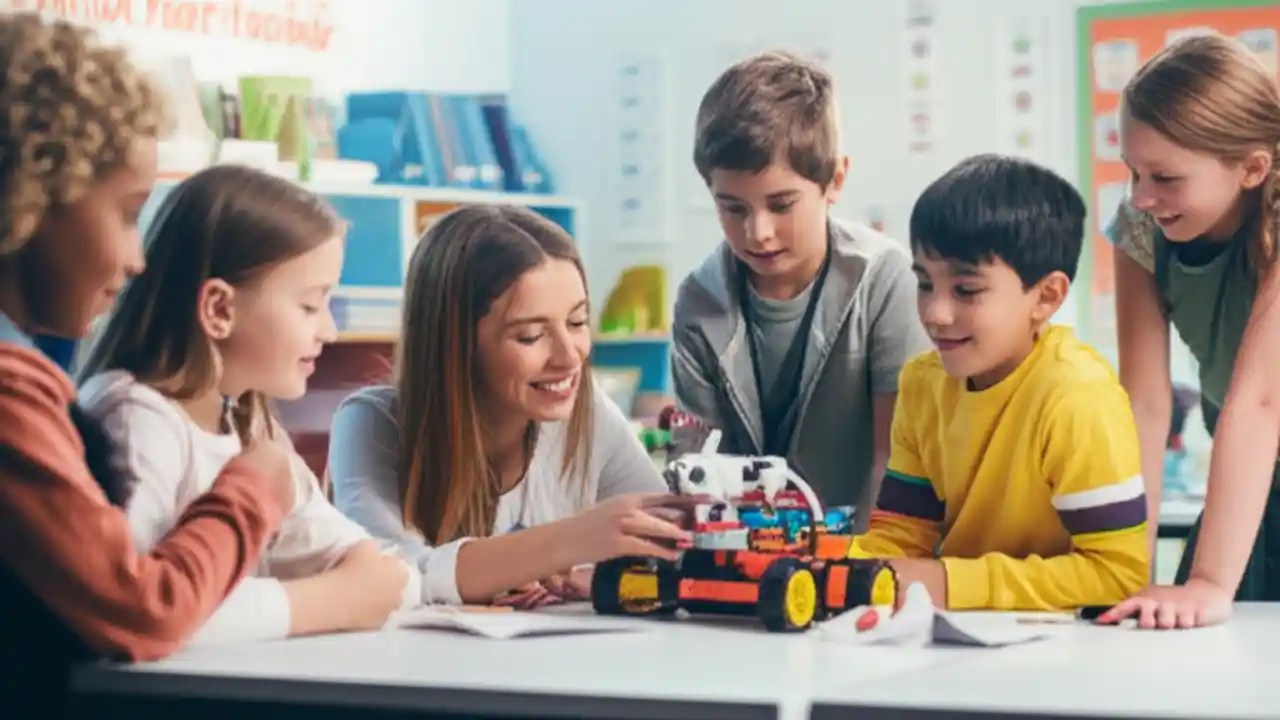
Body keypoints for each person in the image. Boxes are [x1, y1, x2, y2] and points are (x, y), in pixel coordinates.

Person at [0, 13, 292, 704]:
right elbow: (139, 609)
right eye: (130, 214)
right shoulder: (11, 395)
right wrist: (251, 490)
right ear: (34, 194)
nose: (137, 260)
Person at [78, 165, 413, 646]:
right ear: (219, 309)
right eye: (310, 306)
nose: (329, 331)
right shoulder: (136, 420)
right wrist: (336, 599)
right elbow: (136, 610)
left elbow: (379, 574)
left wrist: (370, 583)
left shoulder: (248, 425)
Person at [328, 204, 690, 608]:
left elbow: (676, 546)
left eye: (577, 322)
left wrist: (601, 576)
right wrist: (571, 540)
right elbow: (388, 576)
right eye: (531, 336)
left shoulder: (587, 414)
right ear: (456, 344)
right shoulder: (372, 423)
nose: (570, 357)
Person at [846, 154, 1149, 611]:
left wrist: (950, 582)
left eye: (966, 290)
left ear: (1046, 297)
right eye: (925, 283)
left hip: (1074, 650)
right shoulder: (922, 384)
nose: (934, 313)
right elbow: (900, 536)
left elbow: (1119, 573)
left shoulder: (1077, 397)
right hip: (961, 639)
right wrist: (826, 562)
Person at [672, 50, 927, 529]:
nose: (758, 232)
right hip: (745, 555)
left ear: (835, 181)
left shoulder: (884, 280)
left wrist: (864, 568)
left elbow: (894, 462)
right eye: (733, 209)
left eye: (781, 204)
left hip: (861, 551)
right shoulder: (698, 301)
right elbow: (696, 469)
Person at [1099, 34, 1280, 629]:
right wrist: (1125, 568)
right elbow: (1146, 405)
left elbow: (1260, 399)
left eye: (1165, 178)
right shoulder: (1141, 228)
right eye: (1133, 172)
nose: (1143, 197)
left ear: (1253, 169)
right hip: (1253, 484)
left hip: (1257, 435)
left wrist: (1207, 581)